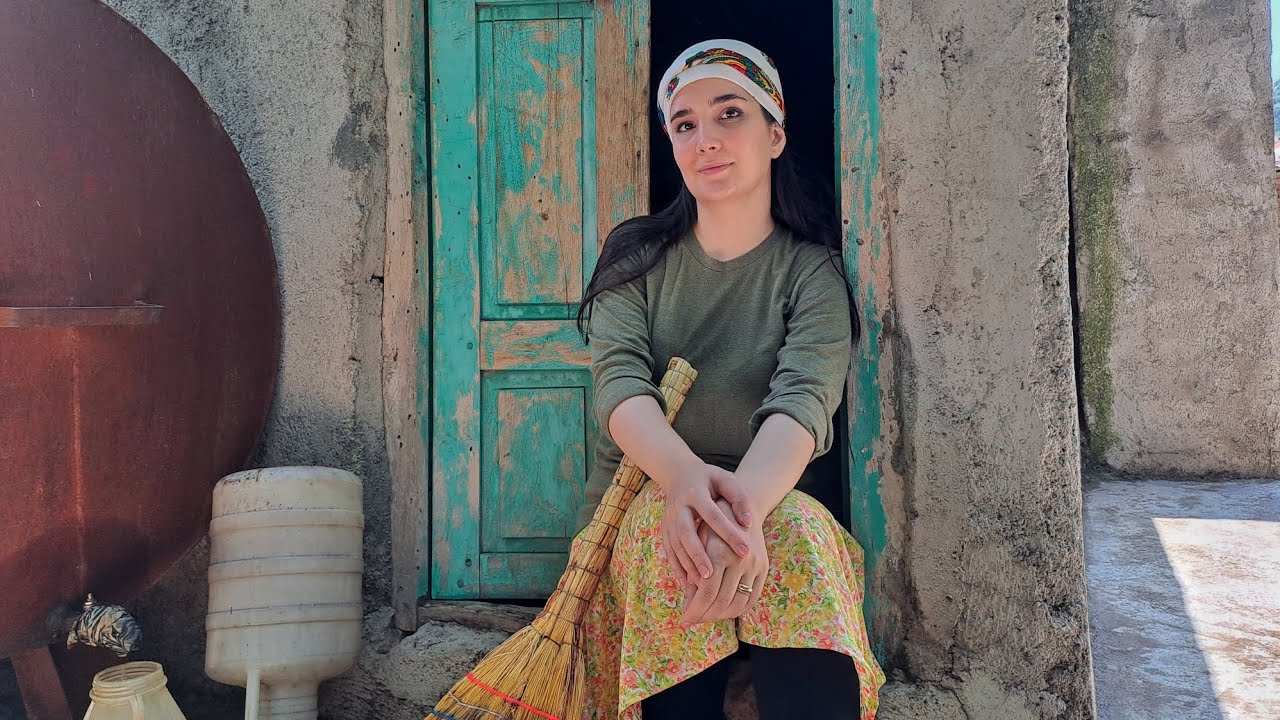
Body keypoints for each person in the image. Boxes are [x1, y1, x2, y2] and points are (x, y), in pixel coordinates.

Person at [573, 39, 886, 719]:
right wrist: (688, 483)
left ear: (774, 134)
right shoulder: (637, 260)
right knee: (670, 537)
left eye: (729, 115)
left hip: (767, 508)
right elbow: (621, 389)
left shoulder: (812, 273)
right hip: (649, 496)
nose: (705, 140)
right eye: (685, 125)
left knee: (798, 530)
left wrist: (734, 517)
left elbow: (803, 406)